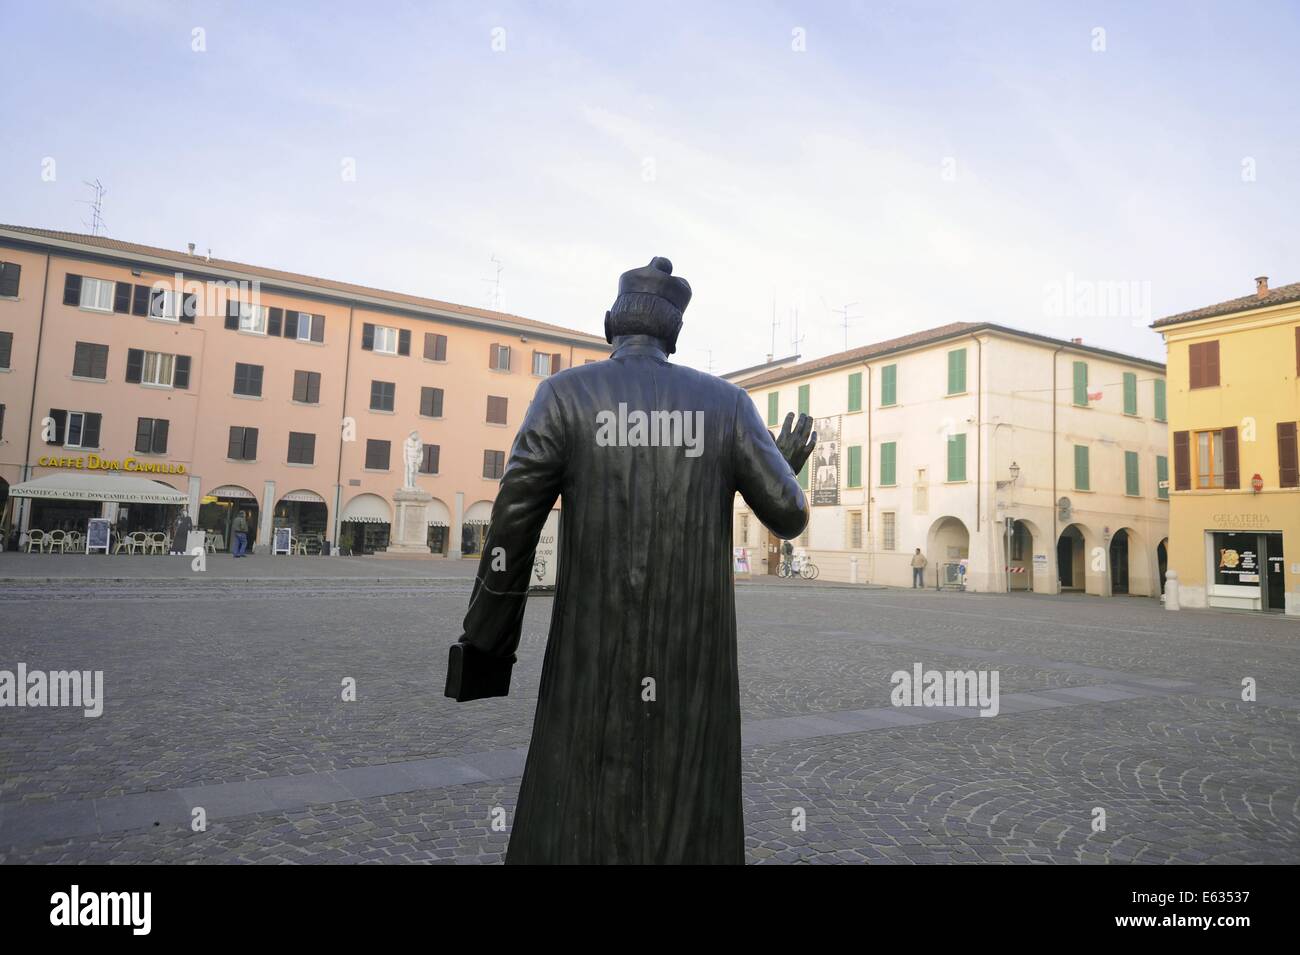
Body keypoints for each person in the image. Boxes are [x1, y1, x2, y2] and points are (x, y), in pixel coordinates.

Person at [444, 257, 815, 864]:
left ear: (611, 324)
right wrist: (783, 467)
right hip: (695, 664)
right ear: (673, 334)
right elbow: (789, 516)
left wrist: (486, 646)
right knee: (688, 804)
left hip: (592, 656)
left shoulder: (564, 396)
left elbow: (513, 525)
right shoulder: (727, 405)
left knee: (578, 805)